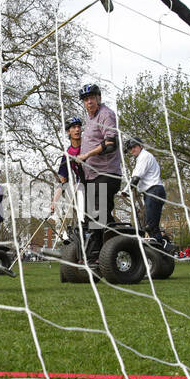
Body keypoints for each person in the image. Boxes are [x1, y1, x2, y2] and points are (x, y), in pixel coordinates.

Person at [74, 83, 122, 264]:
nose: (89, 102)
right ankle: (110, 251)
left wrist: (86, 155)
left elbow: (111, 144)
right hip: (92, 175)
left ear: (99, 98)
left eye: (91, 98)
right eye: (86, 100)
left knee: (97, 213)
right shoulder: (90, 119)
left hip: (107, 173)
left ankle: (97, 255)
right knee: (94, 214)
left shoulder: (106, 114)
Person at [124, 137, 166, 240]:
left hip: (154, 191)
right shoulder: (140, 159)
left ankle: (159, 251)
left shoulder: (144, 157)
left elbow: (136, 177)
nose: (132, 150)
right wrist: (125, 190)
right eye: (130, 148)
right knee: (151, 226)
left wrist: (127, 190)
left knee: (150, 227)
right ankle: (158, 250)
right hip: (151, 193)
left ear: (140, 146)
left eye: (134, 147)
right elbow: (134, 176)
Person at [50, 116, 85, 220]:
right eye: (73, 127)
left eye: (79, 127)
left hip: (98, 182)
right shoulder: (68, 154)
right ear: (68, 131)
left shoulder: (89, 144)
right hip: (82, 185)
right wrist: (54, 202)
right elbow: (63, 182)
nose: (77, 129)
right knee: (82, 218)